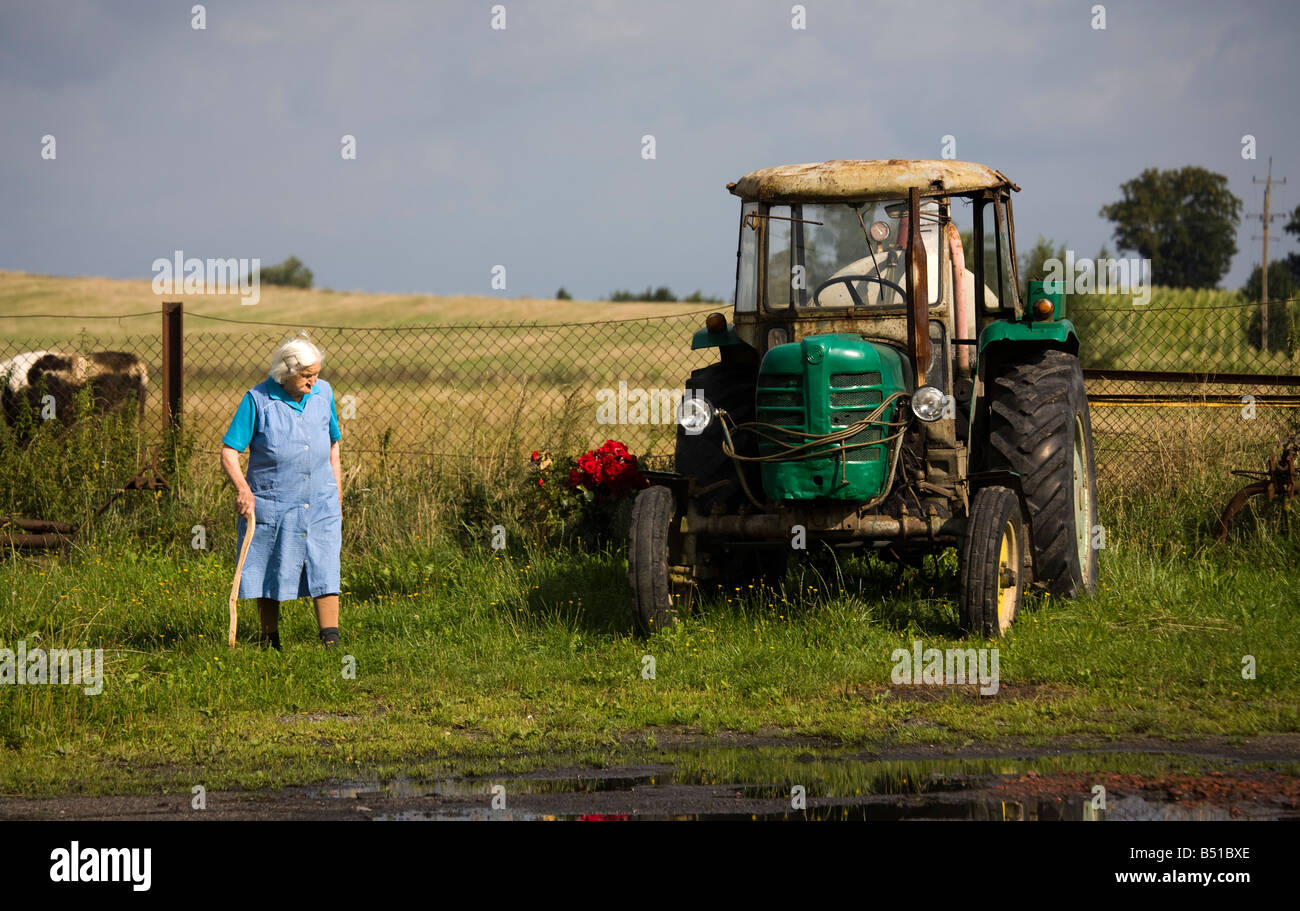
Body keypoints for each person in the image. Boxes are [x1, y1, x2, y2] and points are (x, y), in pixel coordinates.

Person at [219, 334, 343, 649]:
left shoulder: (323, 392)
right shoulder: (257, 400)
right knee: (268, 565)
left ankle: (331, 641)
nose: (313, 382)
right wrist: (243, 490)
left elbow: (333, 444)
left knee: (324, 563)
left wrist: (337, 495)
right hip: (272, 501)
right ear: (285, 372)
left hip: (320, 501)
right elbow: (229, 452)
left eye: (316, 374)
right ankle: (269, 640)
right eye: (306, 376)